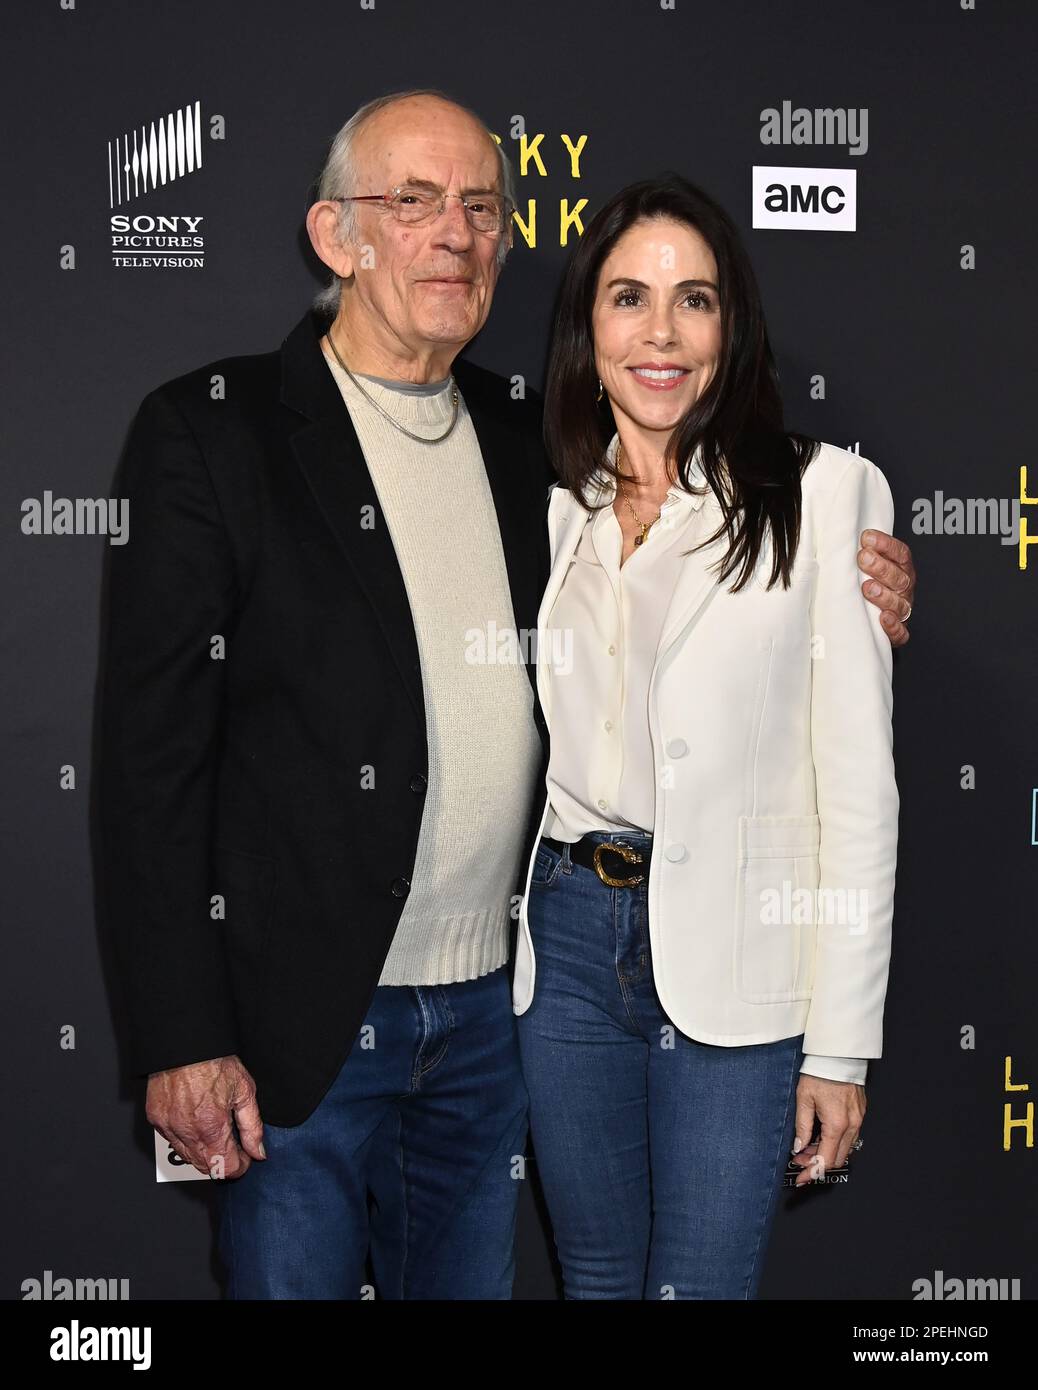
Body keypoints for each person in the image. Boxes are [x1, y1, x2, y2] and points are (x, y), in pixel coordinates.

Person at [98, 90, 916, 1300]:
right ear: (337, 236)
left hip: (491, 1012)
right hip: (299, 1027)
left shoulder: (526, 438)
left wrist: (868, 581)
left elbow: (750, 606)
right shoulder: (212, 434)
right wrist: (181, 1035)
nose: (455, 233)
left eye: (482, 206)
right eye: (413, 202)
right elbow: (148, 765)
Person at [513, 173, 902, 1299]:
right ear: (588, 328)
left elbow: (860, 794)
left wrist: (840, 1047)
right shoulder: (551, 506)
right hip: (572, 939)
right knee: (593, 1277)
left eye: (697, 299)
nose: (663, 332)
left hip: (741, 948)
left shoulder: (826, 496)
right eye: (630, 297)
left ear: (733, 329)